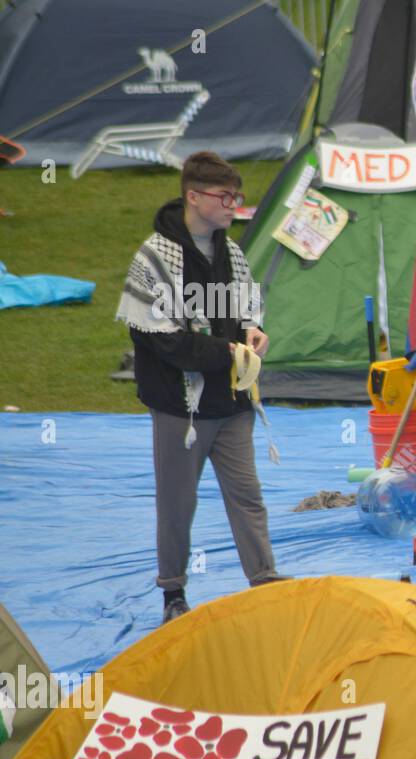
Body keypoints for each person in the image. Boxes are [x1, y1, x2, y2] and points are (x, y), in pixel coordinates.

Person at [116, 151, 286, 624]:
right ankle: (172, 594)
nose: (234, 205)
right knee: (177, 504)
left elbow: (249, 302)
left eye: (237, 197)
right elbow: (162, 339)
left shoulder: (230, 252)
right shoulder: (153, 257)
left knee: (247, 496)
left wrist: (252, 330)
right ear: (193, 196)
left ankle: (265, 581)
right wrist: (228, 353)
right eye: (224, 196)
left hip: (230, 404)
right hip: (179, 409)